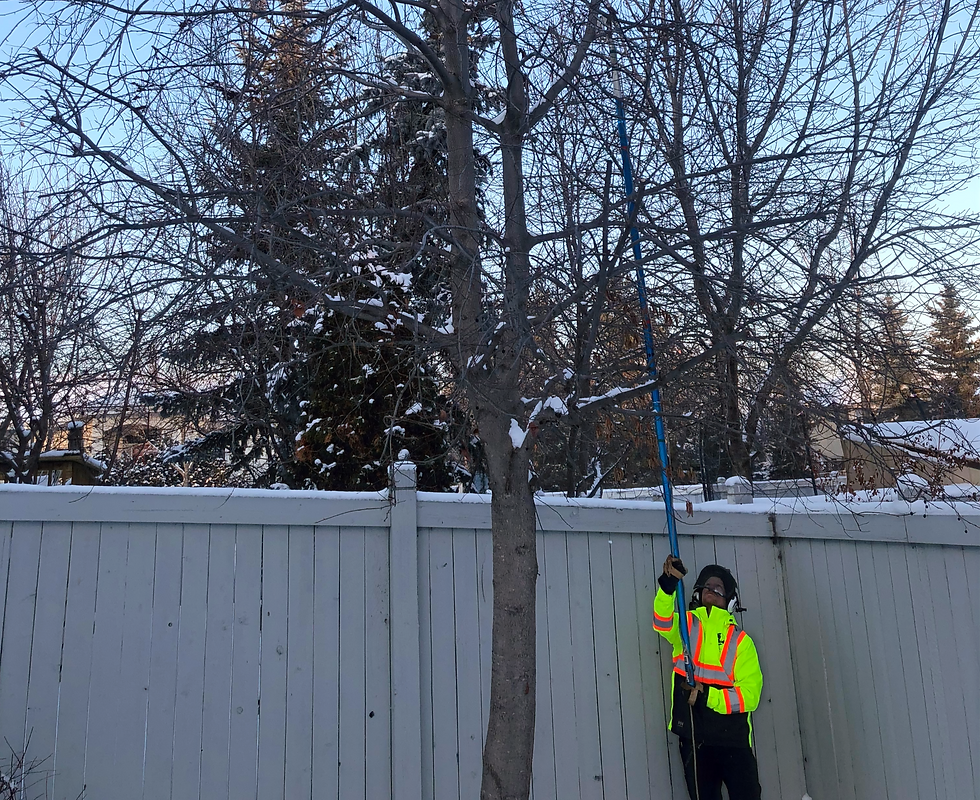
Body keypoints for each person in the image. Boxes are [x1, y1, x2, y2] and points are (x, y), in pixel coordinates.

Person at [653, 555, 763, 800]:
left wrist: (709, 697)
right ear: (697, 593)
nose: (710, 590)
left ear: (730, 599)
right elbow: (661, 622)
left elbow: (750, 696)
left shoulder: (741, 641)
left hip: (733, 740)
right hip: (694, 738)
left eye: (718, 587)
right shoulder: (686, 625)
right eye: (706, 586)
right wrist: (667, 588)